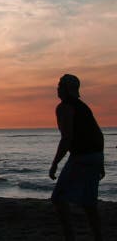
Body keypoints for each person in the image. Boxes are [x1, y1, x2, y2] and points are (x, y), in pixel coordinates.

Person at [49, 74, 104, 241]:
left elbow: (67, 138)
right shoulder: (83, 107)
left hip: (81, 157)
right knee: (89, 204)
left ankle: (70, 237)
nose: (57, 89)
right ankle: (98, 237)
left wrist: (55, 164)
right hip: (95, 156)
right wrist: (101, 162)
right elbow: (99, 135)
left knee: (58, 198)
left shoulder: (64, 107)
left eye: (60, 86)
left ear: (66, 89)